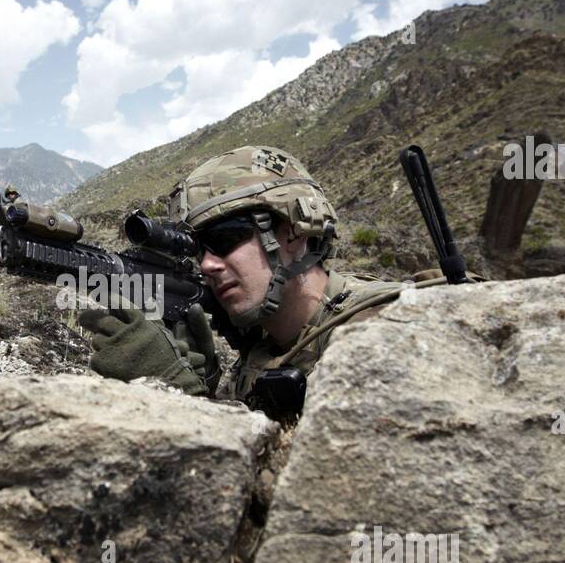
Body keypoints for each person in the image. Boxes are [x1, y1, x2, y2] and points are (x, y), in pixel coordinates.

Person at [78, 145, 446, 407]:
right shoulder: (262, 351)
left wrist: (173, 388)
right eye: (198, 250)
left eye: (225, 239)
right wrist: (200, 390)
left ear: (295, 230)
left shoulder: (386, 330)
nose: (207, 265)